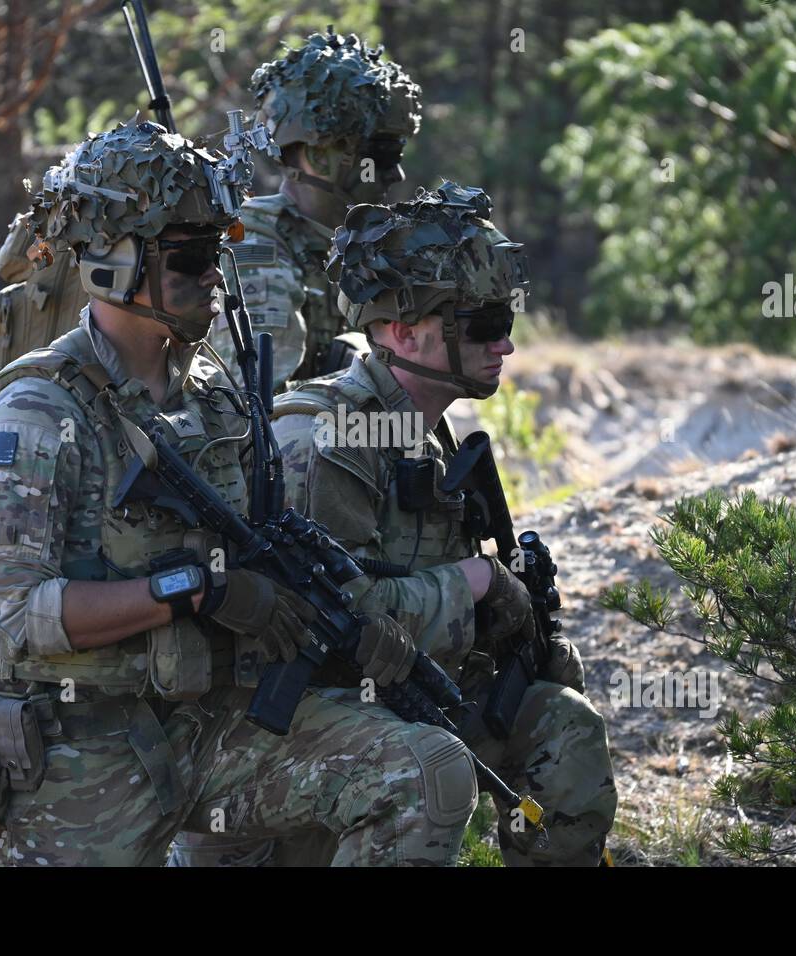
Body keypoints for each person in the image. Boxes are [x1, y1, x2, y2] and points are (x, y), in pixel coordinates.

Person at [0, 121, 478, 865]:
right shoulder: (39, 412)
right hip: (82, 746)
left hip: (214, 725)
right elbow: (16, 619)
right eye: (194, 257)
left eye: (220, 252)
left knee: (425, 771)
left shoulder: (218, 398)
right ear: (114, 263)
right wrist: (194, 590)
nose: (215, 275)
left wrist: (343, 623)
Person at [173, 183, 617, 866]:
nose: (504, 344)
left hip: (388, 704)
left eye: (507, 322)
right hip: (284, 742)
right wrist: (472, 584)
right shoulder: (327, 438)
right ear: (403, 331)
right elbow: (331, 627)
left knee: (562, 724)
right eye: (482, 324)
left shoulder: (420, 433)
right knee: (423, 767)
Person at [207, 29, 422, 383]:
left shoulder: (360, 247)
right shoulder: (255, 245)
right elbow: (263, 408)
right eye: (384, 155)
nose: (396, 174)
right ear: (320, 158)